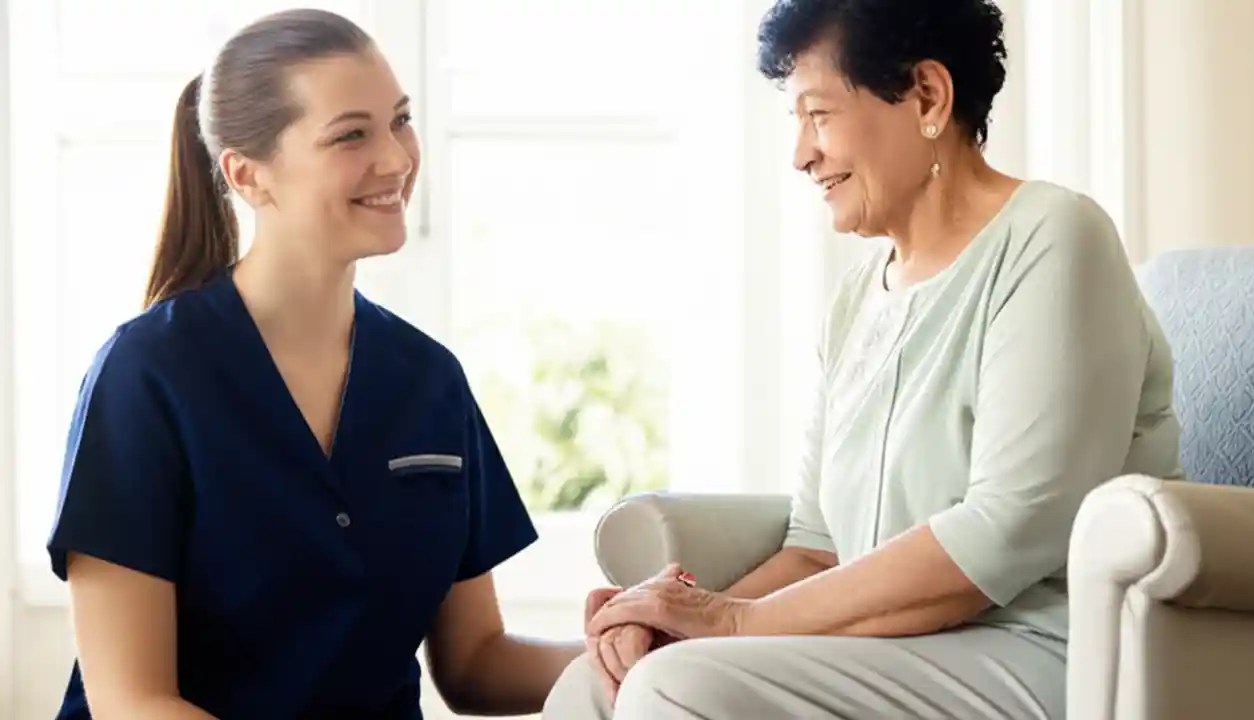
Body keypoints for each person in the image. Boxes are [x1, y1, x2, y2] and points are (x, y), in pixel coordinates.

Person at [545, 0, 1183, 718]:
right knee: (596, 684)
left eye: (819, 115)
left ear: (928, 97)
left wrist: (731, 624)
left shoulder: (1053, 238)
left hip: (1040, 652)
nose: (801, 154)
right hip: (882, 652)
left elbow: (1007, 530)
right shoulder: (855, 301)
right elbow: (817, 550)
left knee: (678, 685)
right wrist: (677, 625)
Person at [46, 9, 587, 718]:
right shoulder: (145, 376)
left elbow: (476, 662)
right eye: (351, 135)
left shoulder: (428, 381)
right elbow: (131, 700)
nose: (396, 159)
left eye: (400, 121)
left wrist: (632, 652)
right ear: (248, 175)